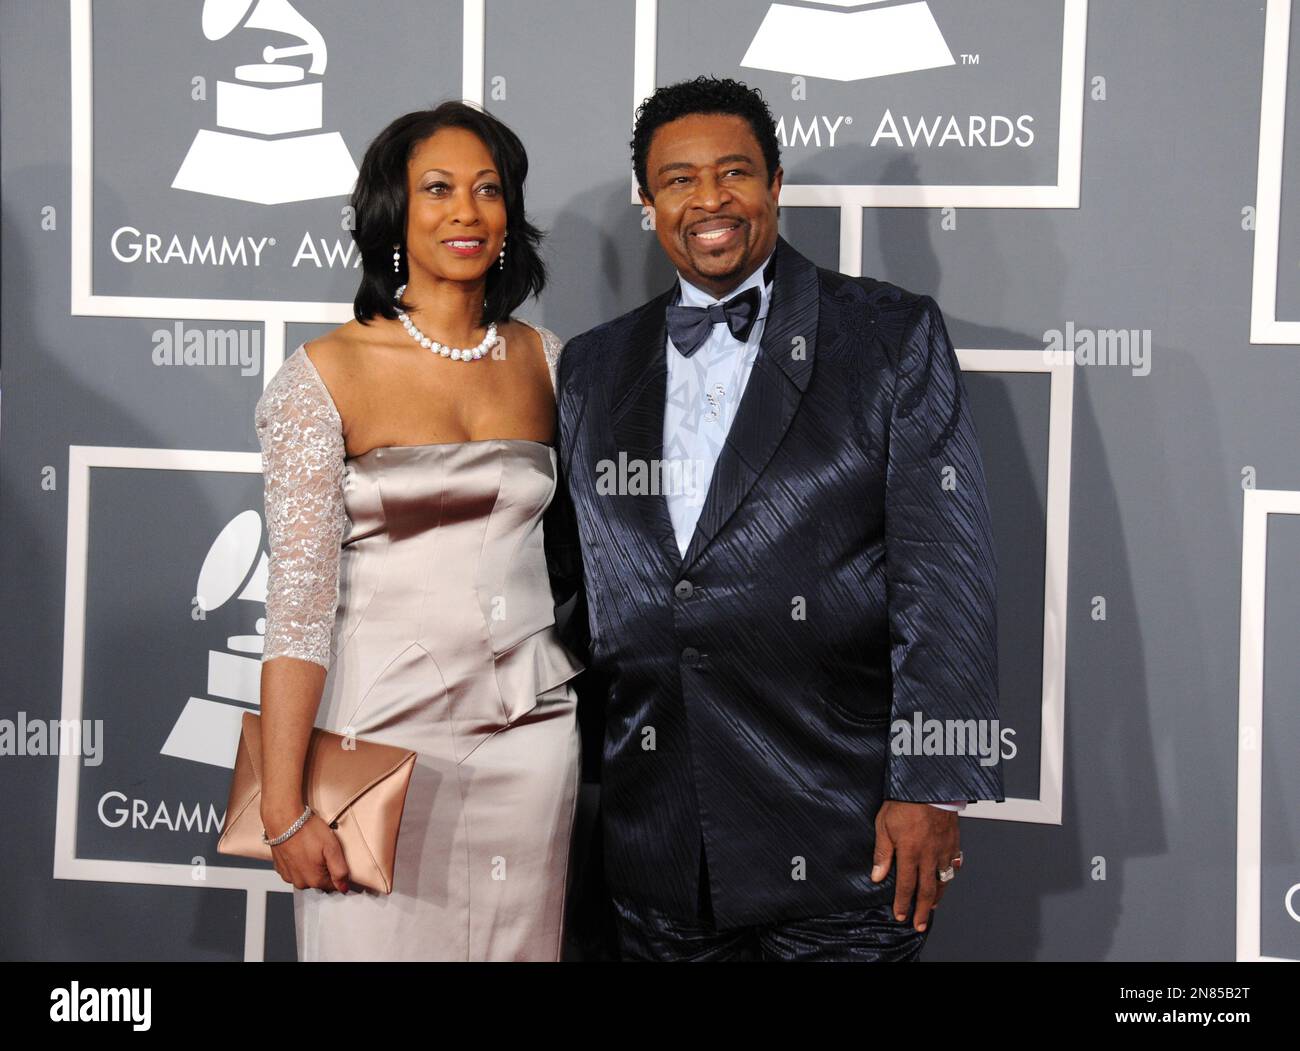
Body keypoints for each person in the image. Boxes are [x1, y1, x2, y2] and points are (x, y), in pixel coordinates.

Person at [553, 76, 1004, 961]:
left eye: (734, 173)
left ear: (775, 183)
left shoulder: (888, 334)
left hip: (844, 832)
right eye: (679, 180)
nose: (710, 199)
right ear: (649, 203)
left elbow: (944, 574)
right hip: (659, 843)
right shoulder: (594, 367)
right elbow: (570, 582)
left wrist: (934, 788)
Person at [253, 101, 583, 961]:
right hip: (380, 742)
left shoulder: (548, 360)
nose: (466, 212)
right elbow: (296, 603)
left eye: (487, 189)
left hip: (532, 735)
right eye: (438, 189)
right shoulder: (325, 373)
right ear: (395, 212)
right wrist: (282, 803)